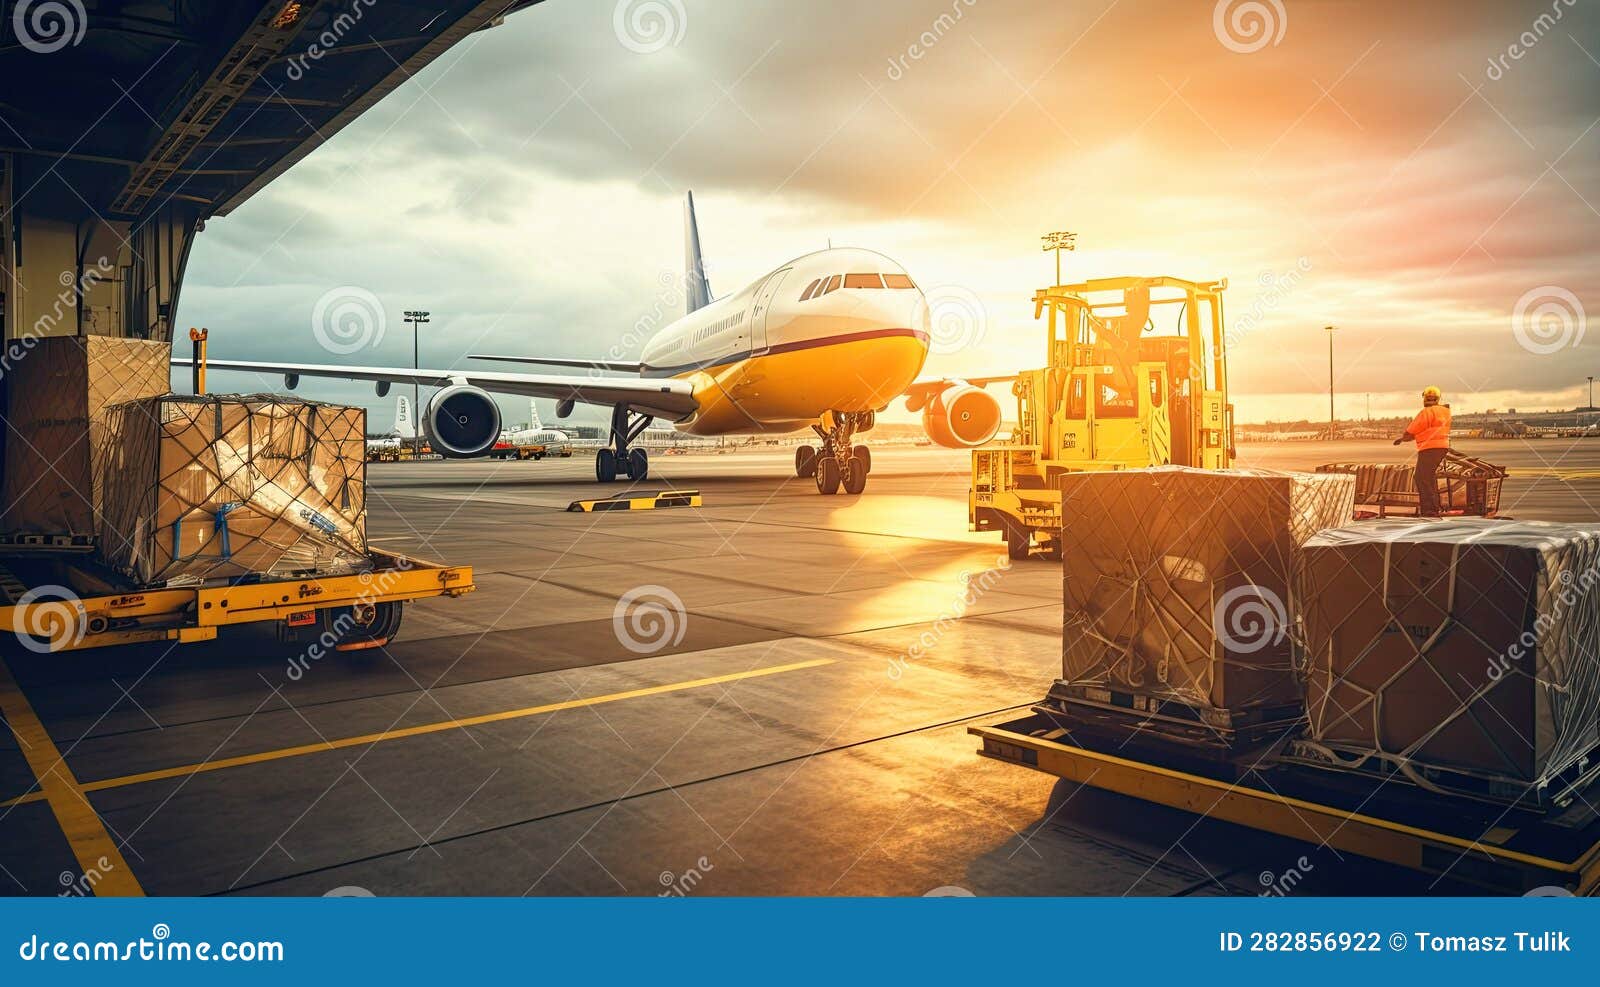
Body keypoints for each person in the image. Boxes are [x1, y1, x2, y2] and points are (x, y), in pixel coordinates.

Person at [1394, 385, 1452, 516]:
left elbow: (1413, 430)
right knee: (1429, 477)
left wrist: (1403, 438)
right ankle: (1434, 507)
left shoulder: (1426, 412)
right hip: (1441, 447)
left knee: (1421, 478)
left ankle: (1429, 510)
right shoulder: (1445, 412)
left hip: (1429, 448)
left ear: (1424, 398)